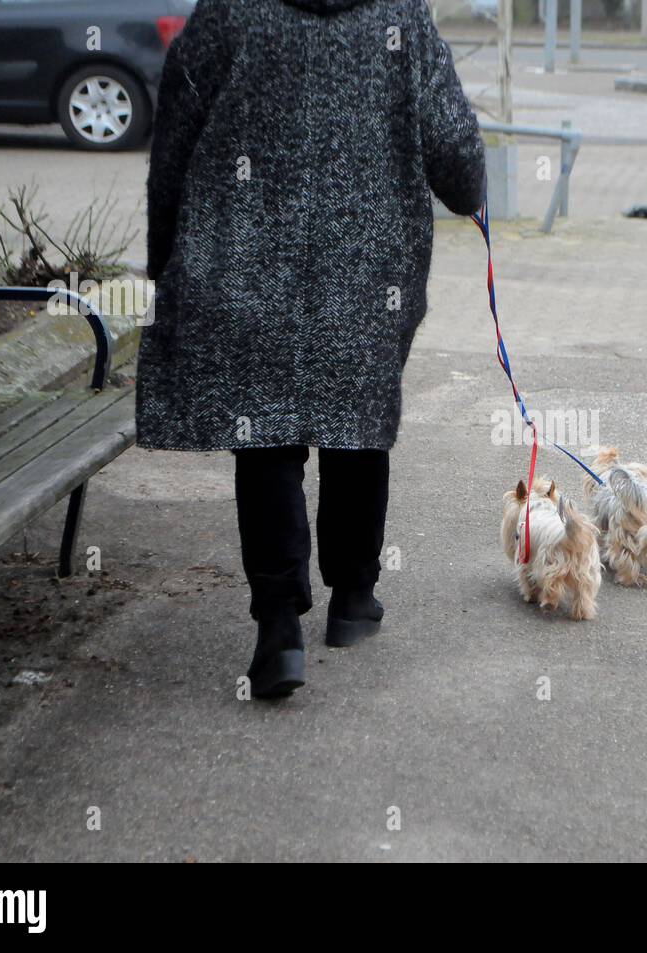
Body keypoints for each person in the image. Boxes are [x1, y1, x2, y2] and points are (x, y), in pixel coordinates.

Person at [137, 0, 486, 699]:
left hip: (243, 257)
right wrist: (470, 189)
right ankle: (354, 598)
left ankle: (277, 627)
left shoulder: (231, 12)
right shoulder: (399, 18)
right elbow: (453, 145)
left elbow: (174, 131)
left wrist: (164, 251)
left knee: (262, 430)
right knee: (357, 415)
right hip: (367, 264)